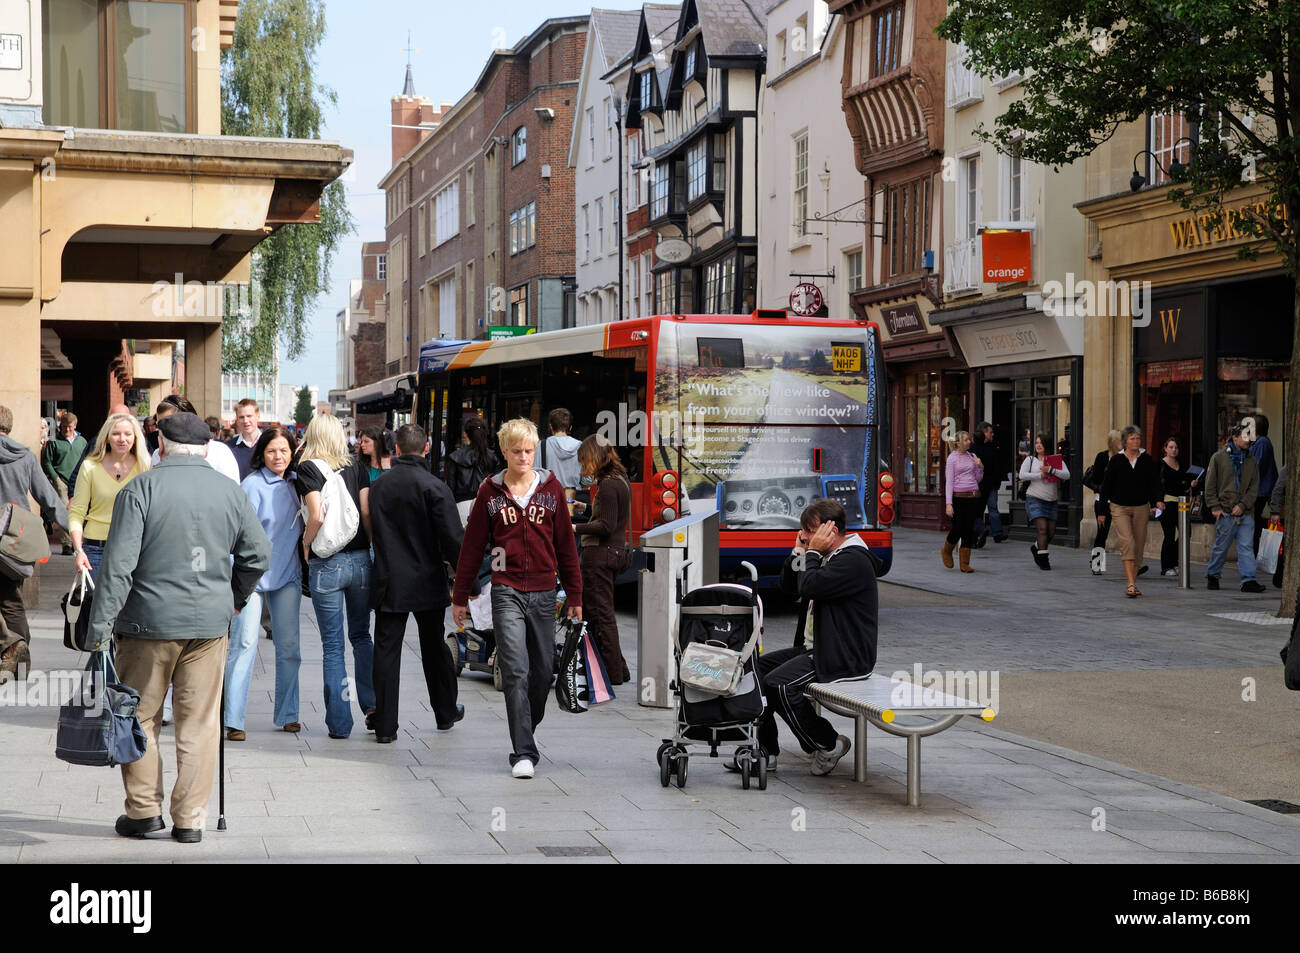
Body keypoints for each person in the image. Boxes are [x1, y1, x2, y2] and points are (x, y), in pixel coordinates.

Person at [88, 412, 270, 844]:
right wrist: (234, 598)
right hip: (209, 624)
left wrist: (99, 628)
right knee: (200, 723)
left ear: (162, 446)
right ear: (207, 448)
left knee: (141, 717)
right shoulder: (230, 491)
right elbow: (257, 555)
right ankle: (190, 818)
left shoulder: (140, 489)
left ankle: (144, 811)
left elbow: (118, 568)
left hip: (145, 624)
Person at [451, 418, 582, 780]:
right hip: (505, 588)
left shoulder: (551, 490)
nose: (524, 457)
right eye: (516, 451)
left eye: (529, 450)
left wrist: (574, 593)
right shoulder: (490, 492)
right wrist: (460, 596)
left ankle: (527, 725)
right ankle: (523, 751)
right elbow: (473, 545)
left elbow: (566, 547)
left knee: (542, 671)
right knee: (515, 669)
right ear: (504, 452)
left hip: (543, 591)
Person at [754, 499, 878, 776]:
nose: (806, 537)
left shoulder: (853, 560)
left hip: (844, 655)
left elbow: (810, 586)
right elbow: (790, 586)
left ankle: (827, 744)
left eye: (810, 531)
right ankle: (764, 751)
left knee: (779, 685)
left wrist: (811, 553)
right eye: (804, 531)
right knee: (754, 670)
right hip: (817, 649)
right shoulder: (826, 557)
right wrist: (799, 551)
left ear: (830, 531)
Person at [368, 424, 465, 743]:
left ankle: (385, 727)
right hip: (426, 578)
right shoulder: (435, 486)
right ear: (426, 450)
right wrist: (469, 582)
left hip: (390, 578)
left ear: (395, 450)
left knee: (386, 651)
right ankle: (445, 712)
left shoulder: (380, 486)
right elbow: (453, 539)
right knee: (434, 647)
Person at [296, 414, 377, 738]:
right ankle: (372, 707)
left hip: (326, 563)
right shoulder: (357, 467)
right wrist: (367, 548)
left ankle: (340, 724)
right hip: (359, 561)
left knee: (333, 646)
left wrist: (306, 543)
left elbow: (316, 514)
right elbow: (367, 512)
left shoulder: (307, 469)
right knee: (361, 637)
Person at [224, 426, 304, 739]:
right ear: (262, 453)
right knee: (244, 645)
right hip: (251, 579)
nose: (278, 456)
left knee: (289, 647)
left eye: (284, 450)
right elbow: (237, 536)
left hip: (287, 576)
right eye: (272, 451)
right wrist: (235, 585)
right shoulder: (252, 485)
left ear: (292, 451)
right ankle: (233, 719)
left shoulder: (299, 483)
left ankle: (289, 714)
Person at [0, 405, 69, 680]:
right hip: (15, 539)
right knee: (11, 599)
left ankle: (13, 645)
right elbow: (48, 498)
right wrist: (73, 532)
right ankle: (19, 654)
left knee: (8, 599)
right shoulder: (26, 457)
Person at [572, 434, 631, 683]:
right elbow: (611, 516)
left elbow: (605, 525)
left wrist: (573, 528)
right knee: (604, 612)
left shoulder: (607, 485)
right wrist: (584, 508)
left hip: (600, 554)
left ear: (595, 457)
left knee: (600, 614)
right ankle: (620, 669)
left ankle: (612, 674)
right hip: (615, 552)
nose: (583, 467)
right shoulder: (620, 480)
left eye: (585, 461)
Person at [68, 413, 150, 582]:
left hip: (134, 551)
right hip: (95, 550)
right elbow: (77, 512)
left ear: (136, 437)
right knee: (97, 607)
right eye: (116, 433)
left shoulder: (145, 467)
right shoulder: (89, 466)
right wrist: (78, 551)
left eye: (128, 434)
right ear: (106, 437)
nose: (122, 439)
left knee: (130, 608)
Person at [1100, 425, 1164, 598]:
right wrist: (1101, 511)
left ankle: (1133, 583)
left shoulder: (1146, 460)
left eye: (1138, 438)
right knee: (1128, 541)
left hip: (1141, 506)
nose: (1136, 441)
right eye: (1132, 438)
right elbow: (1105, 486)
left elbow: (1154, 482)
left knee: (1139, 545)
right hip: (1119, 506)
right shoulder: (1116, 460)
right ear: (1125, 441)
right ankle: (1130, 584)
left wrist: (1158, 499)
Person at [1203, 422, 1266, 593]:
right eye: (1245, 437)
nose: (1248, 441)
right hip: (1225, 511)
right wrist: (1215, 507)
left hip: (1245, 512)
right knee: (1221, 546)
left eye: (1250, 437)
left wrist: (1243, 504)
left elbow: (1254, 487)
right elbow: (1210, 485)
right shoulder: (1218, 458)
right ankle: (1213, 575)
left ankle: (1248, 580)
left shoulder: (1251, 461)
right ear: (1235, 437)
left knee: (1246, 546)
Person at [152, 396, 241, 483]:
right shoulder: (157, 454)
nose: (163, 429)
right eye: (159, 425)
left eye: (169, 423)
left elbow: (231, 490)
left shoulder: (220, 452)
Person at [1019, 434, 1070, 570]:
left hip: (1051, 500)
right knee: (1042, 530)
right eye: (1036, 443)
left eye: (1041, 443)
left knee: (1051, 532)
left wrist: (1051, 470)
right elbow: (1022, 475)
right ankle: (1043, 561)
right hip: (1034, 498)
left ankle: (1036, 547)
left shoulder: (1055, 460)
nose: (1038, 445)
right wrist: (1039, 475)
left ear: (1046, 444)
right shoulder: (1030, 460)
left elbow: (1067, 475)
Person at [42, 411, 86, 554]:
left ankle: (76, 542)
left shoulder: (82, 442)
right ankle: (67, 544)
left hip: (79, 481)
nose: (67, 430)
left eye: (70, 427)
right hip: (61, 481)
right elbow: (47, 462)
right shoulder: (54, 442)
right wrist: (56, 479)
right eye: (64, 426)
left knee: (78, 511)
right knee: (64, 511)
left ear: (75, 426)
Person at [941, 430, 984, 573]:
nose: (969, 442)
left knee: (969, 529)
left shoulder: (972, 456)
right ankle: (947, 550)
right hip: (958, 497)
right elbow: (949, 482)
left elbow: (978, 478)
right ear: (958, 443)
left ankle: (964, 563)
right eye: (965, 440)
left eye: (969, 439)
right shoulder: (952, 458)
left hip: (973, 496)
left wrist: (980, 466)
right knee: (958, 527)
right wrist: (948, 504)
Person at [1157, 437, 1196, 577]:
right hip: (1167, 504)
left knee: (1187, 533)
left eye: (1176, 447)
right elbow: (1157, 485)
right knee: (1169, 535)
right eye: (1171, 447)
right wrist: (1158, 501)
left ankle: (1174, 562)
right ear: (1165, 448)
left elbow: (1183, 484)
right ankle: (1166, 566)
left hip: (1182, 503)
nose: (1174, 450)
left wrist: (1191, 484)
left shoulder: (1182, 464)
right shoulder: (1160, 465)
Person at [1089, 429, 1122, 575]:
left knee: (1128, 534)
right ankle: (1096, 564)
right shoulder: (1102, 457)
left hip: (1122, 501)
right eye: (1122, 440)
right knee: (1102, 533)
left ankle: (1134, 564)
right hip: (1103, 501)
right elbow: (1095, 478)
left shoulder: (1125, 458)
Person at [444, 417, 500, 503]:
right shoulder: (492, 457)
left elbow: (450, 489)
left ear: (465, 434)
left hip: (460, 504)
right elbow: (497, 487)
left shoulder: (455, 457)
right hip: (486, 504)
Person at [971, 422, 1007, 545]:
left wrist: (997, 481)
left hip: (990, 484)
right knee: (979, 510)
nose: (992, 434)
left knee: (992, 508)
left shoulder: (992, 447)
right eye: (990, 432)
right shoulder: (973, 449)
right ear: (984, 433)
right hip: (979, 485)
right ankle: (980, 532)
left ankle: (996, 533)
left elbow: (997, 466)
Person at [1249, 414, 1278, 554]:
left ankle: (1255, 552)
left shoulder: (1262, 443)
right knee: (1254, 521)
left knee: (1254, 522)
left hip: (1261, 490)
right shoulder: (1258, 442)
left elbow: (1256, 466)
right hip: (1260, 489)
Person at [542, 408, 582, 490]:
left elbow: (535, 475)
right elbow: (587, 480)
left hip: (550, 497)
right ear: (570, 428)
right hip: (574, 498)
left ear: (550, 427)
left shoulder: (541, 445)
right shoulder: (581, 446)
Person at [226, 398, 262, 481]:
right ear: (237, 420)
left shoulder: (269, 444)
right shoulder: (228, 448)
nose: (245, 421)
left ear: (258, 416)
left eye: (249, 416)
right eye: (241, 417)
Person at [1270, 466, 1287, 589]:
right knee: (1287, 547)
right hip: (1292, 514)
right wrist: (1275, 511)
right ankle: (1279, 577)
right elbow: (1278, 489)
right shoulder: (1290, 466)